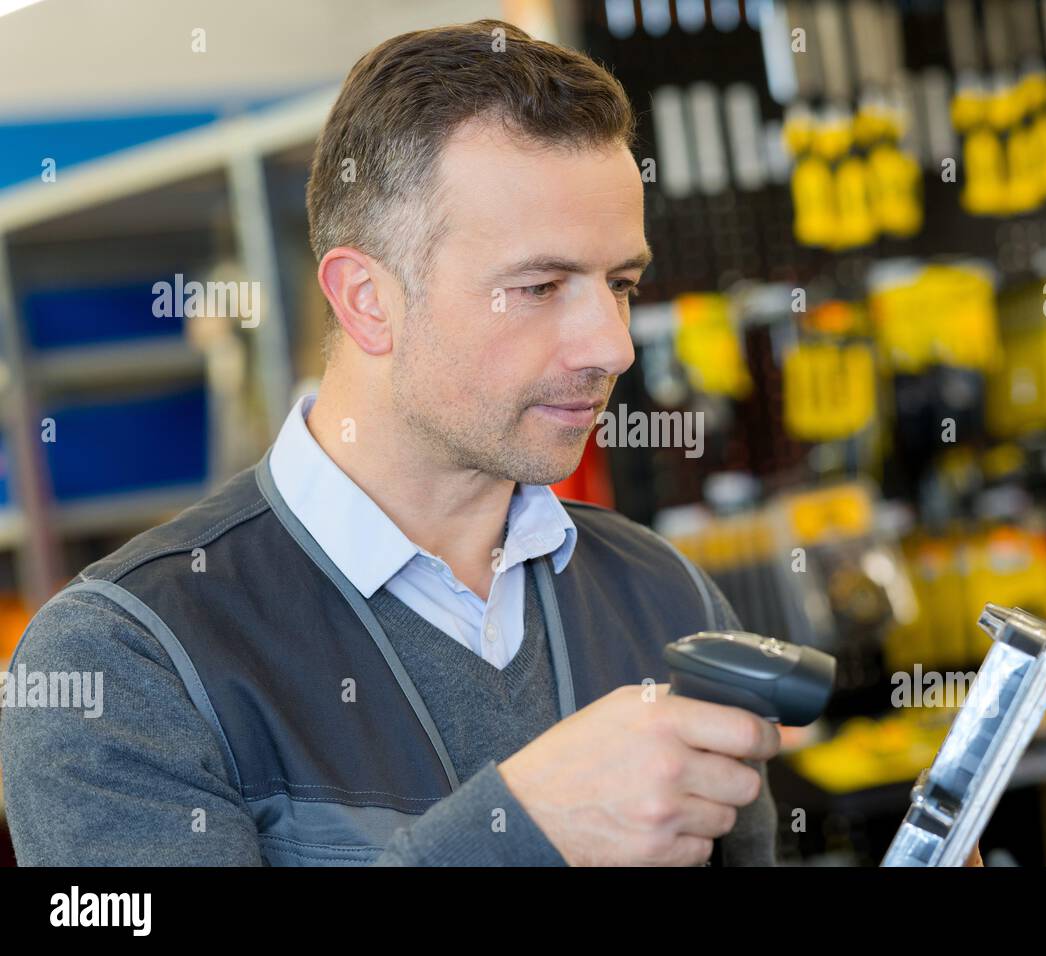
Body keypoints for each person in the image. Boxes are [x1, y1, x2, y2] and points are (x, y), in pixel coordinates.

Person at [0, 19, 781, 867]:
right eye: (541, 285)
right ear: (367, 300)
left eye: (620, 284)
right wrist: (519, 833)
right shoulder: (124, 660)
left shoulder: (666, 600)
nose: (611, 345)